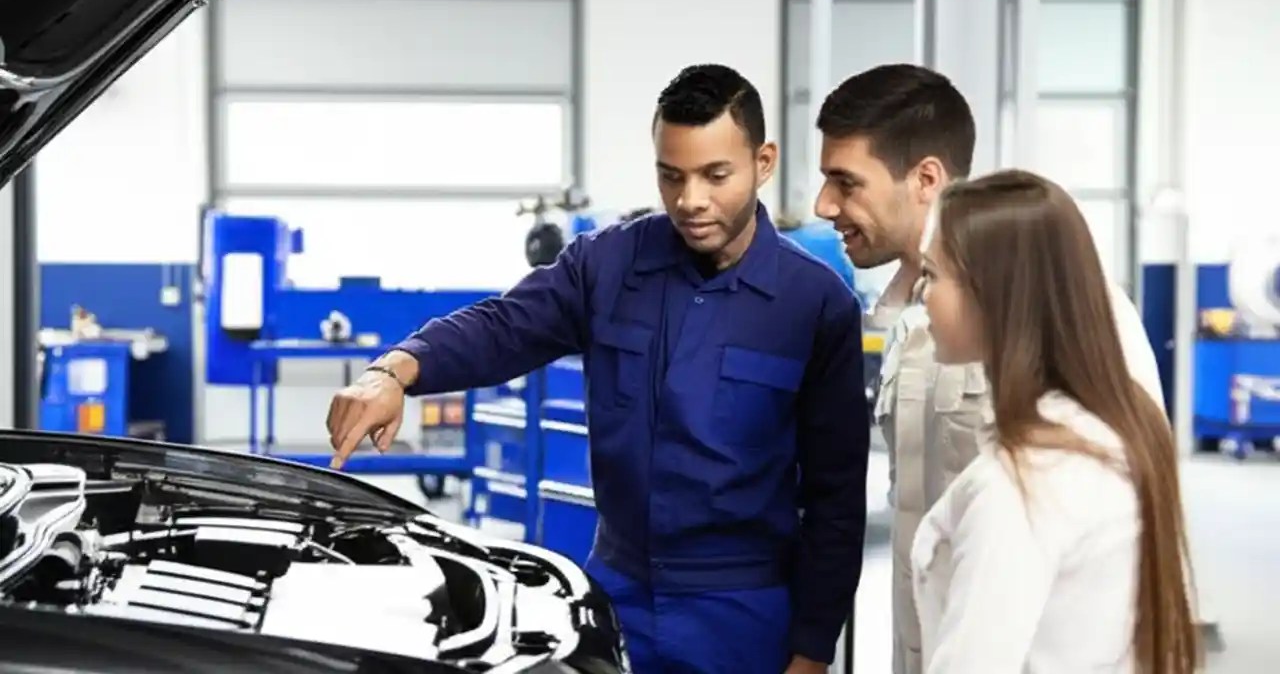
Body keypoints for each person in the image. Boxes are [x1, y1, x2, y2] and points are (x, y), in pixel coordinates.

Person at [326, 63, 870, 674]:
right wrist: (395, 370)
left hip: (742, 610)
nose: (690, 200)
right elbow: (507, 326)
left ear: (762, 162)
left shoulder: (815, 304)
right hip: (616, 593)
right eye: (672, 176)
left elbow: (837, 500)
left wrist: (812, 652)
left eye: (716, 175)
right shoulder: (607, 264)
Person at [811, 63, 1165, 674]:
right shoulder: (910, 323)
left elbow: (1143, 526)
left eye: (846, 182)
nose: (823, 206)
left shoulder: (1078, 314)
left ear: (925, 178)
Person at [912, 168, 1200, 672]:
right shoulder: (1118, 422)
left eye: (933, 274)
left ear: (992, 294)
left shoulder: (1021, 483)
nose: (922, 293)